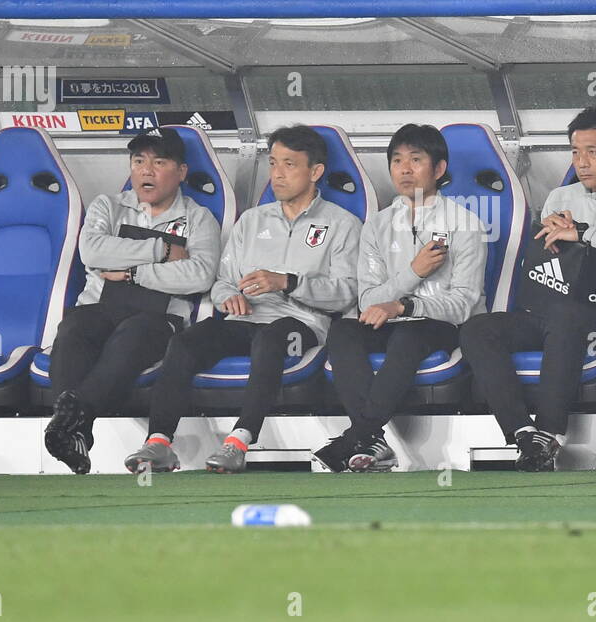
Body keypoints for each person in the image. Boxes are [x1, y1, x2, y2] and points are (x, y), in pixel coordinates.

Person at [124, 125, 361, 474]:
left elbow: (346, 293)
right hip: (244, 319)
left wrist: (288, 282)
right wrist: (229, 298)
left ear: (316, 172)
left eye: (289, 165)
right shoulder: (251, 221)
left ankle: (238, 441)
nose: (277, 174)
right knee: (186, 342)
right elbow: (220, 282)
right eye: (273, 163)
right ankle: (159, 442)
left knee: (272, 338)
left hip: (302, 326)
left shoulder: (343, 224)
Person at [461, 105, 596, 472]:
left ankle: (550, 432)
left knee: (567, 317)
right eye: (575, 152)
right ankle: (523, 433)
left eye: (593, 152)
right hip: (550, 312)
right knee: (479, 328)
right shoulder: (561, 198)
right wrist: (550, 234)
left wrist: (587, 233)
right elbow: (544, 256)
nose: (582, 162)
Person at [44, 127, 219, 474]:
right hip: (100, 309)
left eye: (159, 161)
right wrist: (162, 249)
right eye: (138, 161)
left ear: (181, 172)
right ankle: (73, 427)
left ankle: (72, 423)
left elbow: (200, 274)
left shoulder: (198, 218)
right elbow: (92, 251)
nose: (146, 170)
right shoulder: (108, 205)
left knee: (136, 330)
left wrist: (132, 273)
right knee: (74, 324)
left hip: (156, 318)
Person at [315, 124, 487, 473]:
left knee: (410, 333)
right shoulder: (377, 225)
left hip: (441, 324)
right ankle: (371, 438)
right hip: (392, 320)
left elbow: (463, 304)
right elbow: (368, 299)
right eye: (397, 160)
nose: (405, 169)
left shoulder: (465, 223)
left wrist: (406, 305)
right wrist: (413, 273)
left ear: (438, 170)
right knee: (344, 331)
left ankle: (358, 435)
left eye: (416, 160)